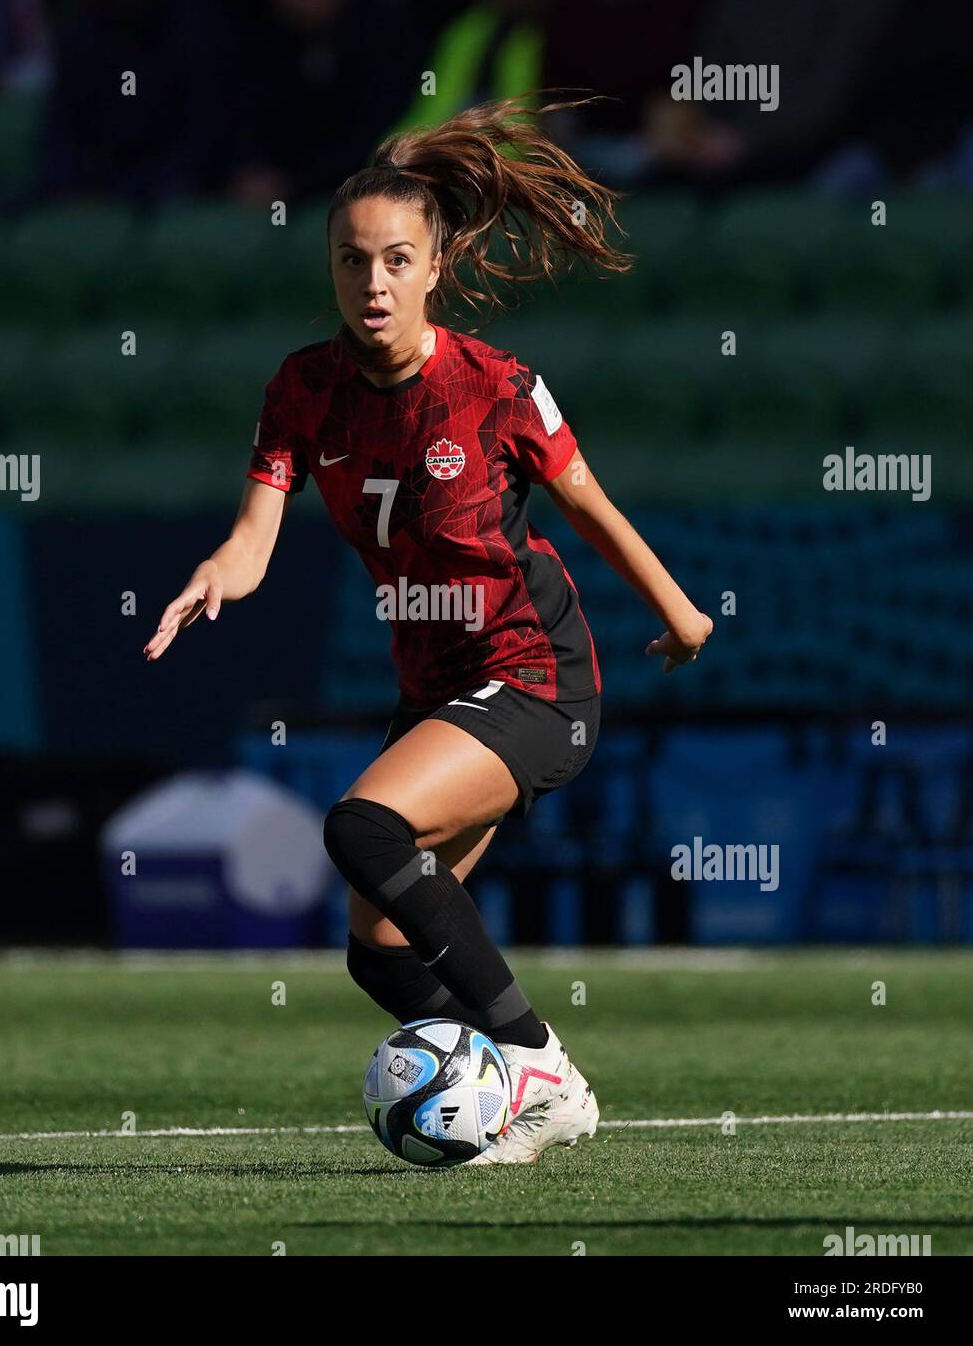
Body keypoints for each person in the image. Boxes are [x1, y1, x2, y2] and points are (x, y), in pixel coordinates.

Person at [144, 92, 713, 1165]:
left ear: (435, 266)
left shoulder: (495, 385)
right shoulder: (304, 389)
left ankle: (537, 1063)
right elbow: (255, 536)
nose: (373, 283)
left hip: (536, 676)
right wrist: (215, 574)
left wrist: (680, 616)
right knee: (381, 950)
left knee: (363, 829)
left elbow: (591, 503)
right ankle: (525, 1097)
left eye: (397, 261)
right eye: (354, 261)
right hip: (439, 690)